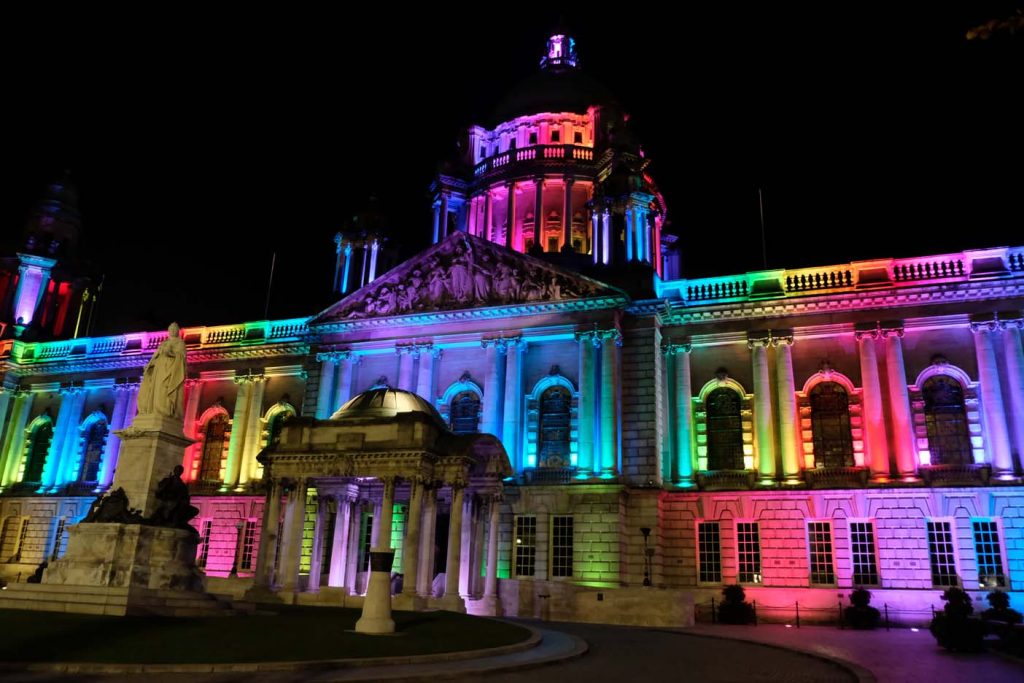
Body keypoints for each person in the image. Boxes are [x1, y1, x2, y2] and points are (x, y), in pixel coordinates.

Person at [136, 322, 188, 418]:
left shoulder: (180, 343)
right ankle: (155, 410)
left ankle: (165, 410)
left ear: (177, 331)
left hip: (170, 371)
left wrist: (171, 353)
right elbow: (156, 358)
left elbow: (181, 357)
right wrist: (150, 366)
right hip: (159, 371)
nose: (172, 331)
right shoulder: (163, 343)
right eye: (170, 329)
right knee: (157, 390)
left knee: (165, 391)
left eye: (174, 329)